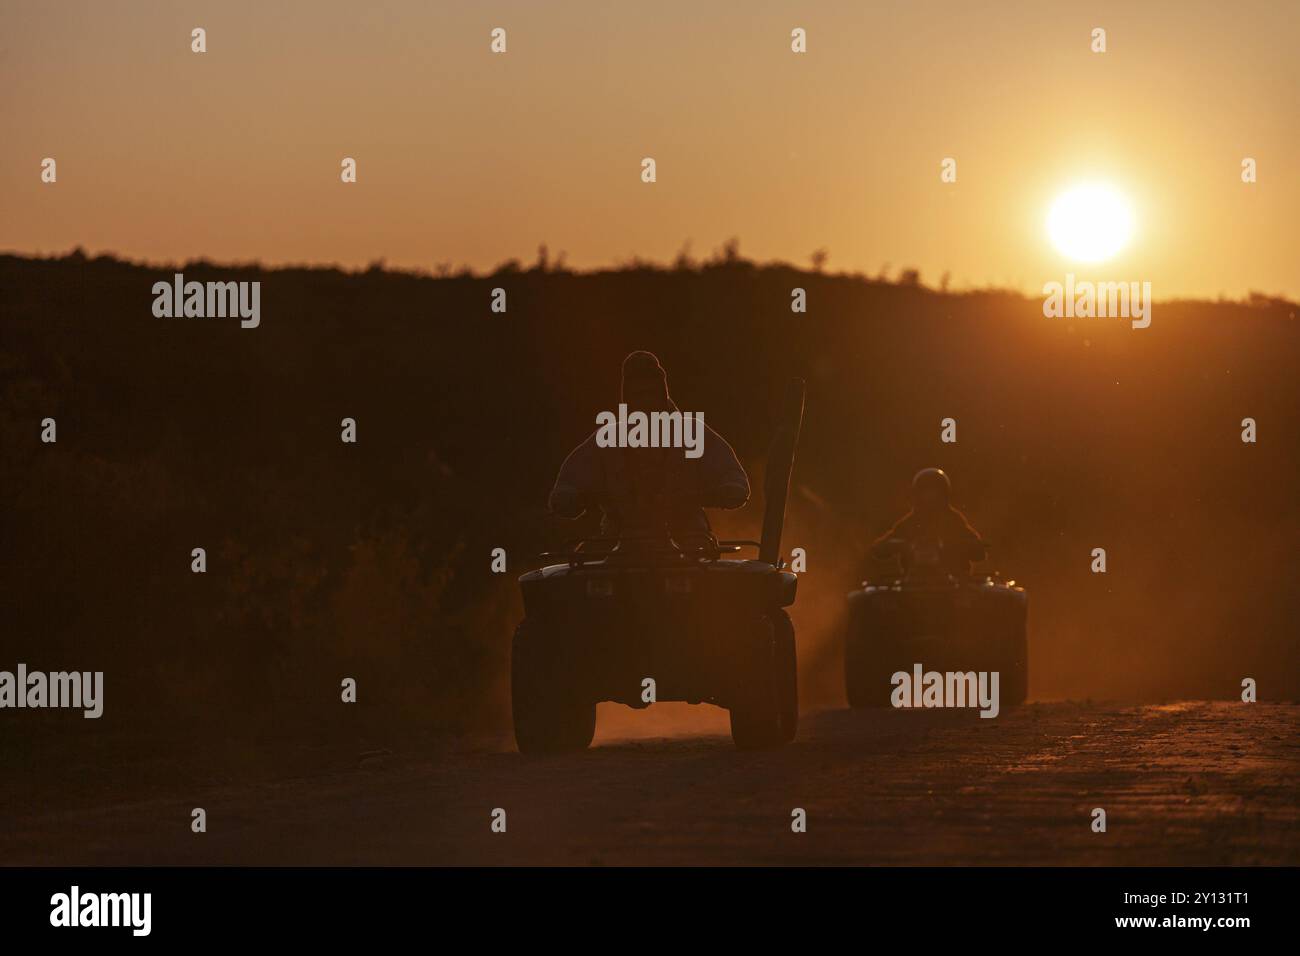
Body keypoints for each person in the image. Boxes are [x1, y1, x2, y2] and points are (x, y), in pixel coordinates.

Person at [549, 351, 749, 542]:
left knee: (709, 575)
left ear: (663, 394)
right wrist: (567, 495)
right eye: (637, 394)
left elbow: (729, 471)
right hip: (620, 542)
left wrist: (731, 489)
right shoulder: (608, 440)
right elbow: (571, 479)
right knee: (586, 573)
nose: (645, 401)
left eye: (650, 393)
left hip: (689, 540)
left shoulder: (692, 433)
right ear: (626, 397)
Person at [871, 468, 986, 576]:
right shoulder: (909, 522)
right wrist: (890, 545)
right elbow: (879, 549)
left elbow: (979, 552)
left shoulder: (954, 520)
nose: (931, 497)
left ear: (944, 494)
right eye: (926, 492)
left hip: (953, 585)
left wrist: (967, 545)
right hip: (912, 587)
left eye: (935, 492)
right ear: (917, 494)